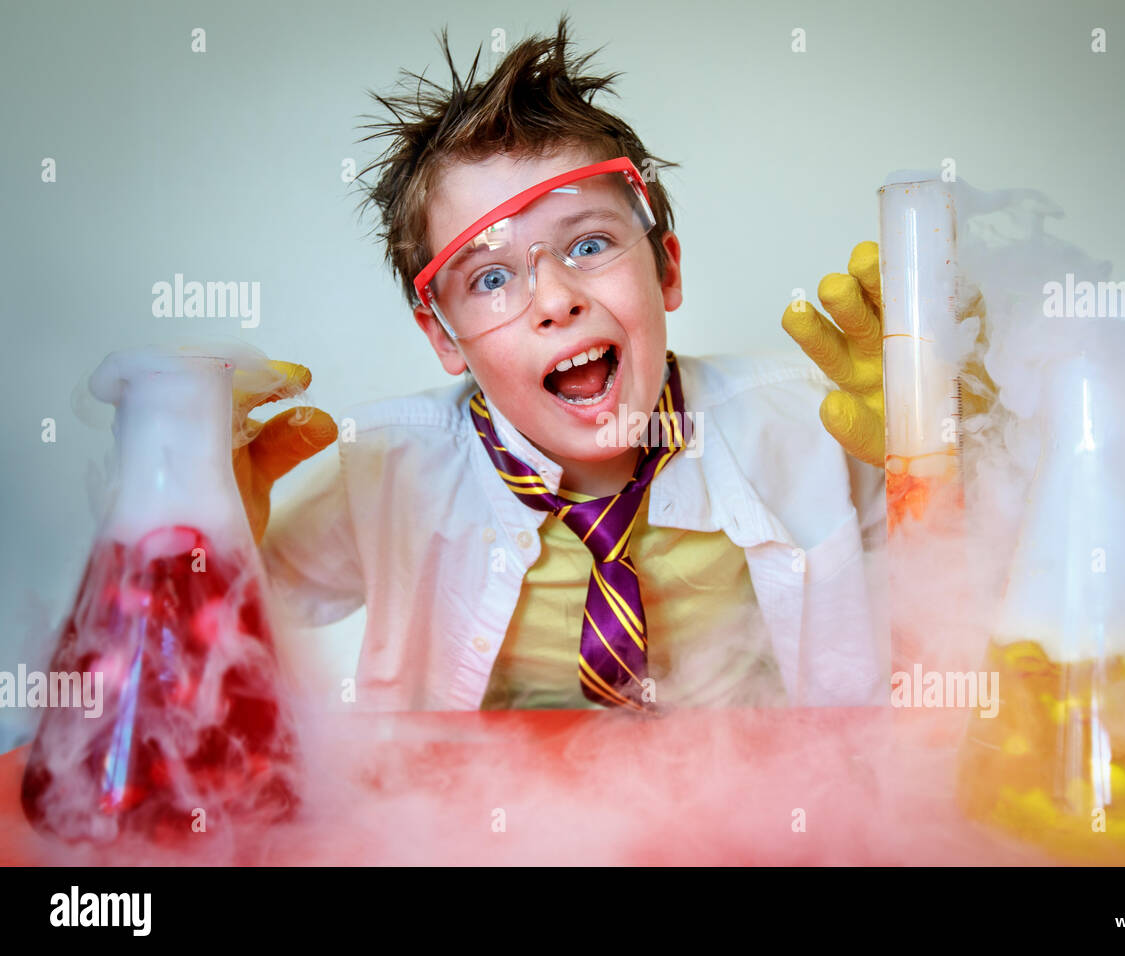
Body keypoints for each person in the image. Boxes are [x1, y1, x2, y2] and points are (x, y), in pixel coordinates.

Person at [237, 17, 889, 712]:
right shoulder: (384, 470)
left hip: (749, 796)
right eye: (490, 278)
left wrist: (949, 434)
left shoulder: (807, 426)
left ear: (666, 270)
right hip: (483, 811)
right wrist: (211, 533)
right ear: (446, 338)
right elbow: (230, 628)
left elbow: (972, 583)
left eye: (588, 245)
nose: (554, 299)